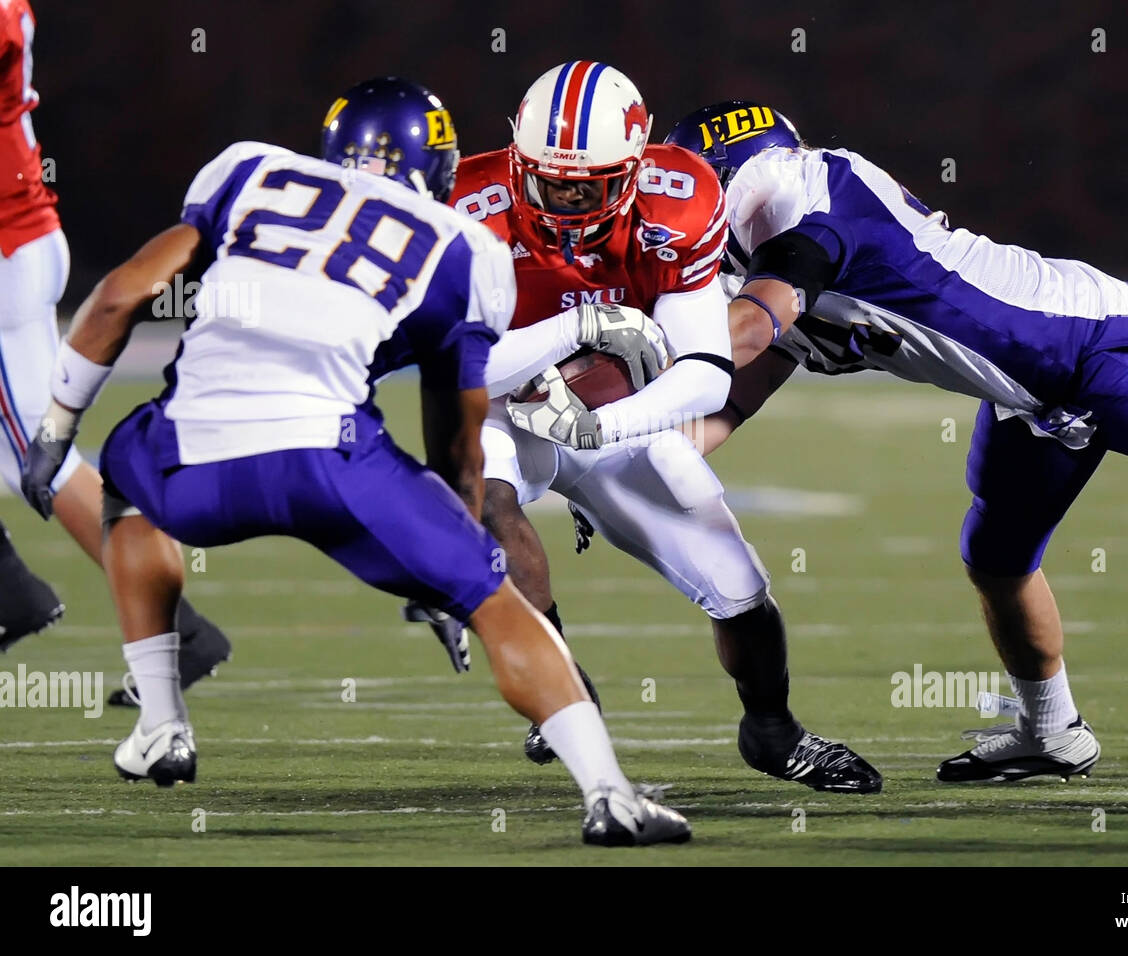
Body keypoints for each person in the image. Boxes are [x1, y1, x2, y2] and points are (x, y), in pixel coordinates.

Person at [20, 76, 690, 846]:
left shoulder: (249, 170)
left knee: (125, 482)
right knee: (493, 600)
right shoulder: (465, 246)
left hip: (195, 452)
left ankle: (164, 725)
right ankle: (609, 794)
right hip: (334, 463)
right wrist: (457, 552)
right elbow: (456, 433)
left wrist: (54, 432)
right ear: (436, 168)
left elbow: (115, 299)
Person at [667, 100, 1128, 782]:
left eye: (688, 192)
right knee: (997, 560)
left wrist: (633, 350)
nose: (671, 223)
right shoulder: (774, 264)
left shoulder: (802, 200)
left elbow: (750, 328)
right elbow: (736, 394)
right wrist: (640, 454)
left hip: (1112, 346)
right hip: (1030, 396)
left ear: (728, 178)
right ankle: (1052, 732)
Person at [424, 63, 881, 793]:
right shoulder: (465, 205)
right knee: (489, 502)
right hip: (505, 403)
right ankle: (563, 691)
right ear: (517, 162)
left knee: (741, 591)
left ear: (634, 168)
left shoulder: (682, 199)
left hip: (617, 409)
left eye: (591, 183)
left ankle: (774, 732)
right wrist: (576, 327)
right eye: (552, 181)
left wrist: (597, 428)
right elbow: (459, 369)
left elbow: (703, 372)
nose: (571, 200)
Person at [0, 0, 230, 686]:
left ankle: (180, 629)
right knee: (28, 451)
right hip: (20, 237)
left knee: (40, 456)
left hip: (7, 248)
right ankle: (12, 594)